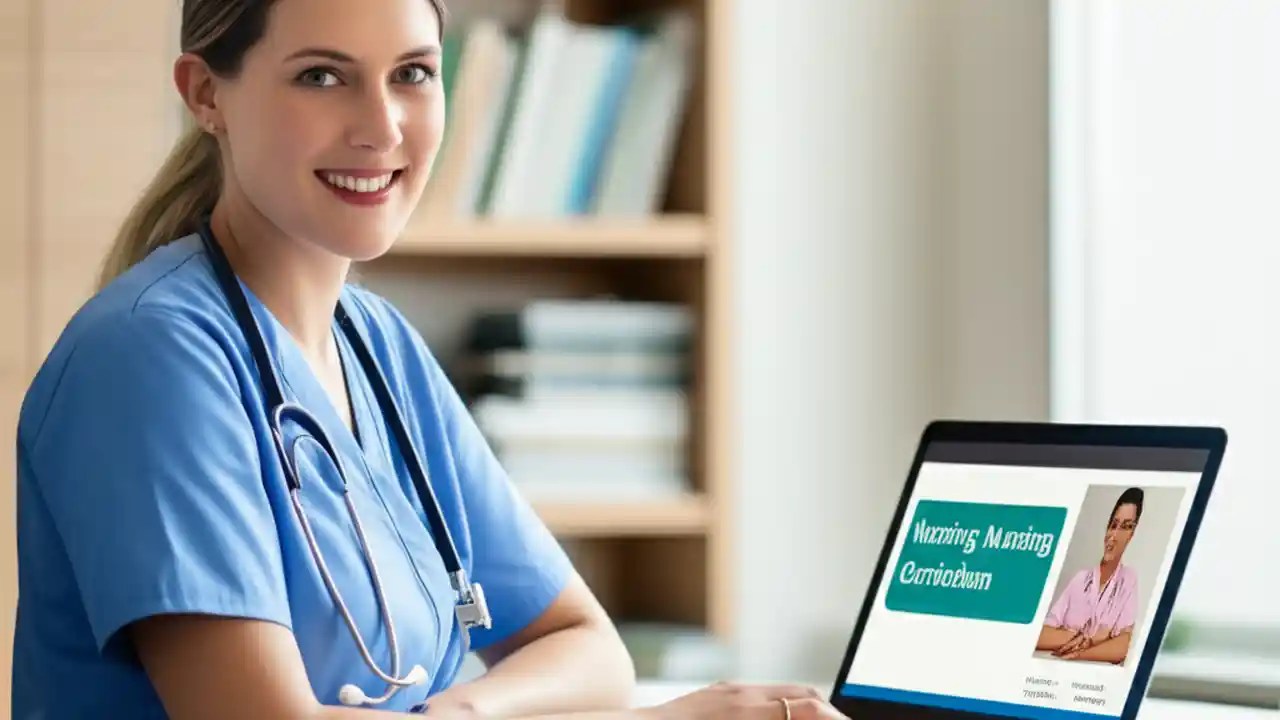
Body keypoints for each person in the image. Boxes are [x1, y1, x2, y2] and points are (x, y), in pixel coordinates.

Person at [10, 1, 850, 718]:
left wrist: (463, 709)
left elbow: (589, 649)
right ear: (206, 95)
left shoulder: (378, 347)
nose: (382, 128)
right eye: (322, 76)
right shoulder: (152, 360)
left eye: (413, 72)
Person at [1035, 487, 1144, 664]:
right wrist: (1090, 639)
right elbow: (1040, 635)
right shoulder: (1080, 579)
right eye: (1113, 525)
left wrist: (1080, 652)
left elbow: (1124, 645)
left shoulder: (1128, 580)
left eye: (1125, 527)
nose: (1114, 536)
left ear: (1132, 535)